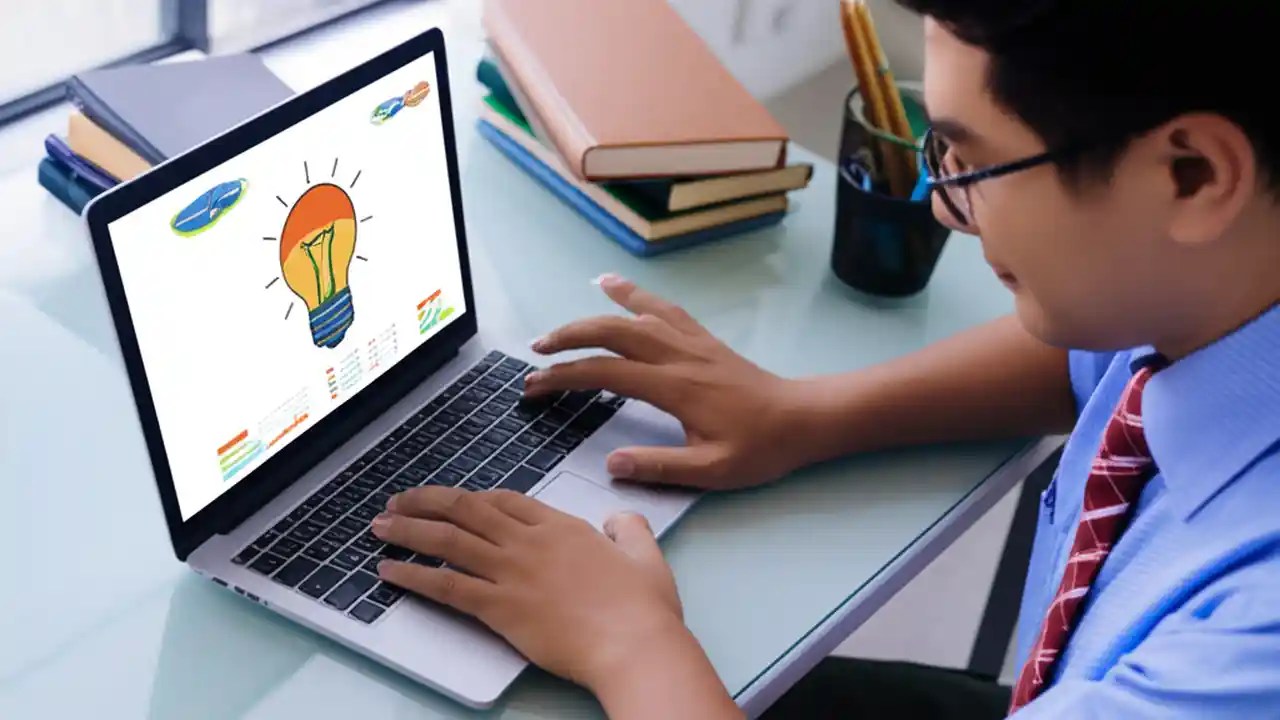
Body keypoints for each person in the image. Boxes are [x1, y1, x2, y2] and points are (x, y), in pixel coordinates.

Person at [369, 1, 1280, 717]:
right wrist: (802, 414)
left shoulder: (1249, 651)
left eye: (969, 162)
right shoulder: (1217, 289)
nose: (938, 207)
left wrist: (627, 643)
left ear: (1192, 175)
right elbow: (1092, 358)